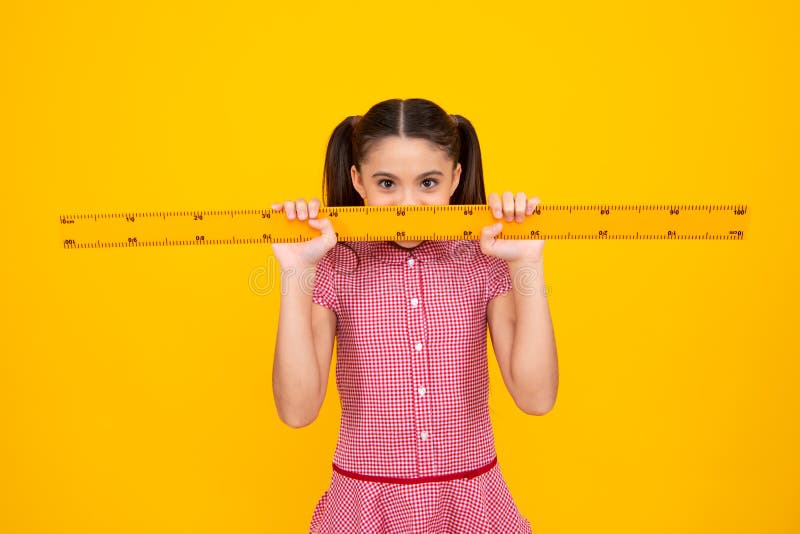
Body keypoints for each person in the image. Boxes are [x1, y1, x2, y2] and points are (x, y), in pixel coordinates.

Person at [270, 98, 558, 533]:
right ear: (358, 181)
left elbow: (537, 398)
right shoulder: (334, 266)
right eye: (386, 183)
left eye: (428, 183)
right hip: (365, 509)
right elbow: (297, 410)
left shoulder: (483, 261)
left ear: (456, 179)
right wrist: (297, 273)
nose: (408, 204)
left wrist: (527, 265)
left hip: (472, 507)